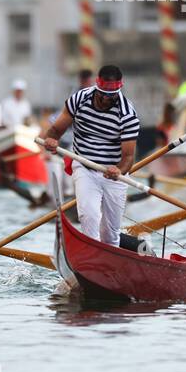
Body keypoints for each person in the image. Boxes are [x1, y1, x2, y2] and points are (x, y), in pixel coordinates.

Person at [37, 65, 140, 245]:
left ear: (118, 90)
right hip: (84, 166)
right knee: (88, 216)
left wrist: (119, 170)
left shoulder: (127, 114)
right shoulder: (79, 99)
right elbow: (56, 130)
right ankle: (92, 256)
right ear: (97, 87)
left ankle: (109, 261)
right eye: (103, 94)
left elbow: (129, 158)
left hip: (114, 175)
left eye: (112, 95)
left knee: (110, 234)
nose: (107, 99)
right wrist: (52, 141)